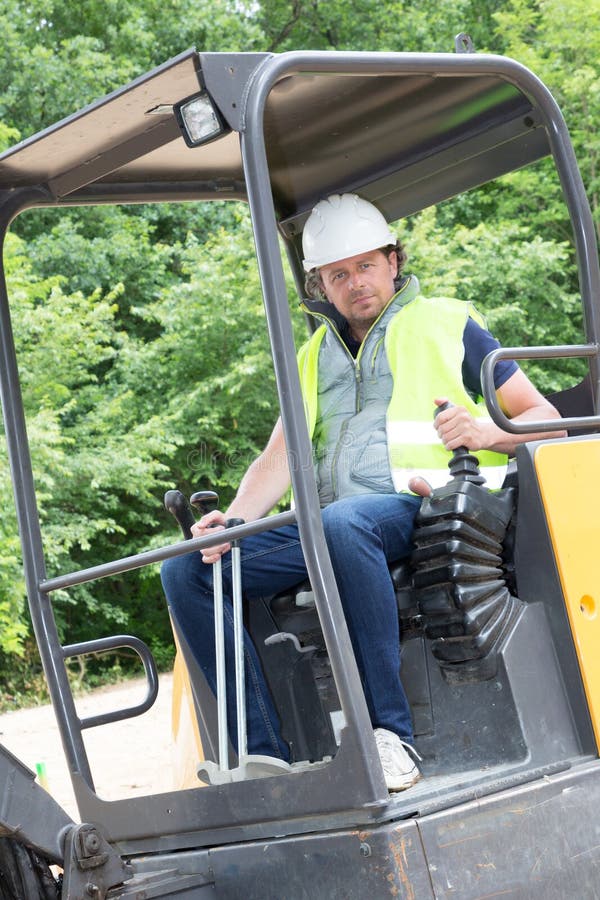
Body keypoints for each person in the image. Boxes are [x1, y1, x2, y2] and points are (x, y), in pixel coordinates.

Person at [161, 193, 564, 792]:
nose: (356, 283)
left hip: (425, 506)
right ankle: (259, 756)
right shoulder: (311, 357)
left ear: (393, 261)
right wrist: (232, 524)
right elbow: (280, 458)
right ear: (321, 284)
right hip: (331, 523)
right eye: (338, 273)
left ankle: (389, 735)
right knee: (191, 571)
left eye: (366, 265)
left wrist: (484, 431)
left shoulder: (448, 325)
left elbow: (547, 419)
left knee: (346, 523)